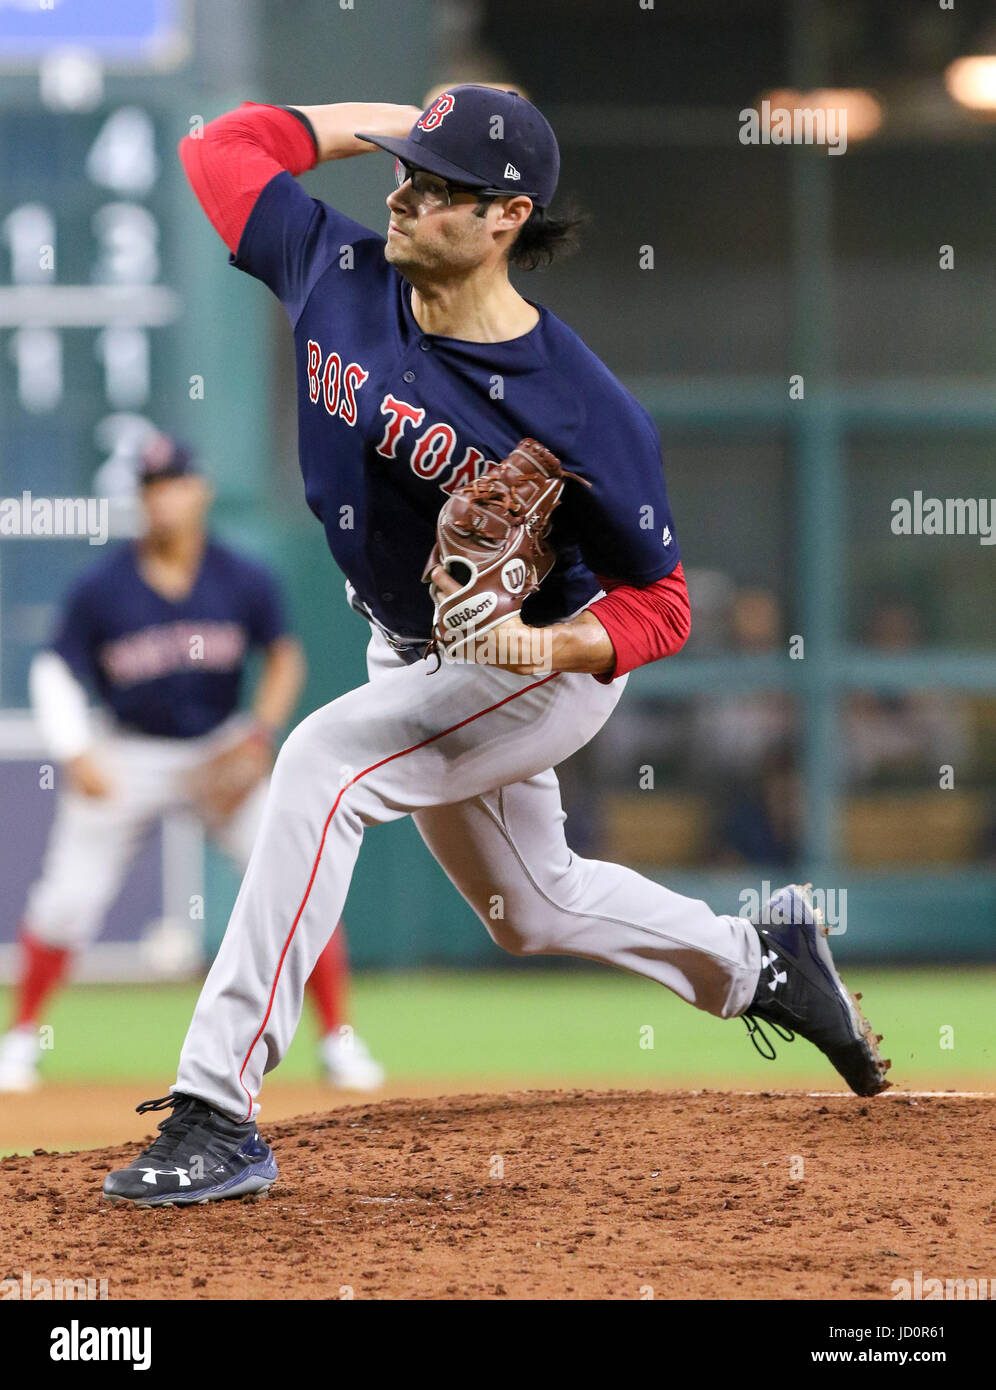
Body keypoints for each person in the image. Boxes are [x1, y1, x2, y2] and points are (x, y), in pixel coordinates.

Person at [102, 87, 888, 1207]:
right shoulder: (335, 270)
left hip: (528, 670)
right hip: (408, 648)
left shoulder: (580, 409)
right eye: (403, 171)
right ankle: (764, 965)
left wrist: (549, 647)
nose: (402, 193)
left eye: (434, 184)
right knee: (534, 907)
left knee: (324, 764)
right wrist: (394, 116)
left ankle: (217, 1107)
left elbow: (662, 603)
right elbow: (215, 146)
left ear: (506, 216)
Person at [0, 434, 384, 1094]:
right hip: (129, 752)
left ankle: (338, 1039)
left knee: (303, 887)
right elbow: (55, 667)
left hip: (220, 753)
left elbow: (285, 657)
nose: (162, 499)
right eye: (150, 488)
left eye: (174, 483)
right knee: (64, 902)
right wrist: (74, 750)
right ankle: (23, 1039)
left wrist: (258, 736)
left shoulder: (242, 577)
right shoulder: (104, 588)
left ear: (200, 491)